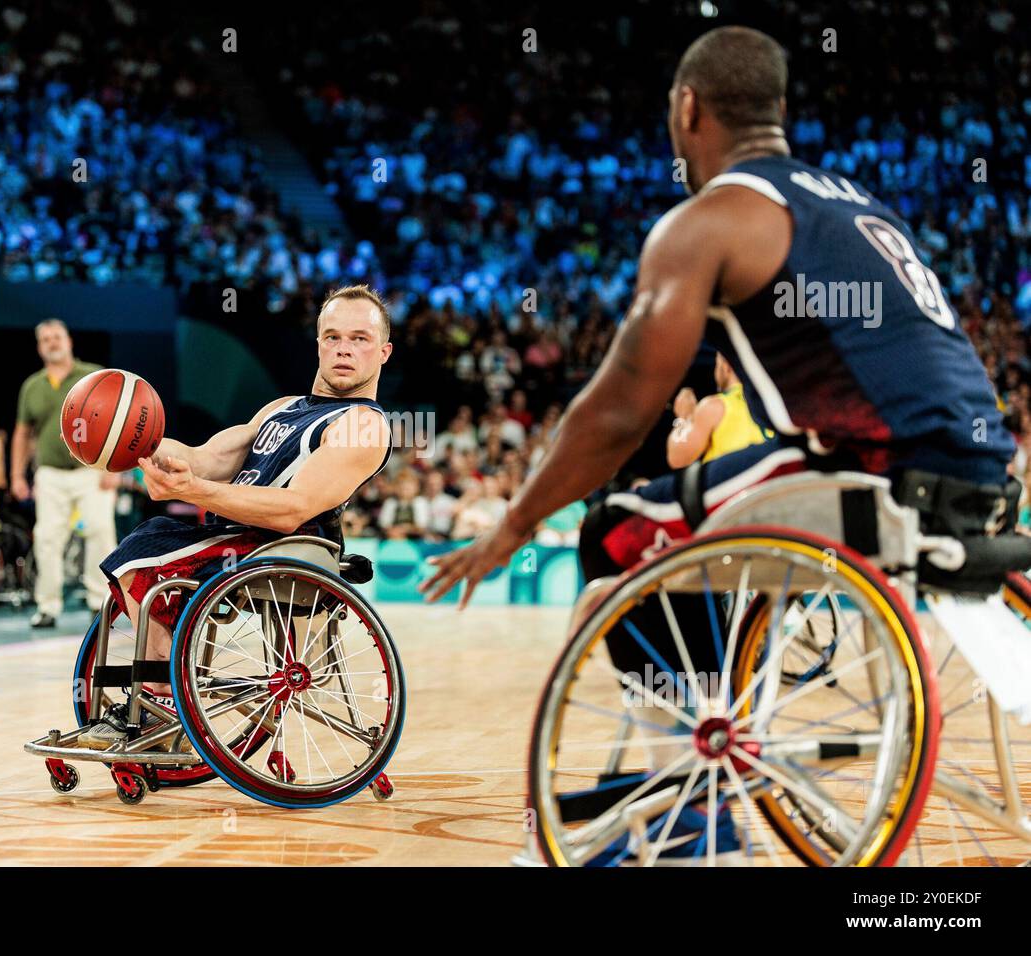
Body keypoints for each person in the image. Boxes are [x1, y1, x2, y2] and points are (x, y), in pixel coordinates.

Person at [422, 27, 1016, 860]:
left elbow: (621, 409)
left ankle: (692, 809)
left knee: (615, 527)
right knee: (695, 534)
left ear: (686, 107)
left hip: (884, 467)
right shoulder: (854, 200)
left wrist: (515, 525)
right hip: (986, 464)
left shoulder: (711, 220)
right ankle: (710, 741)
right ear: (778, 109)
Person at [79, 284, 393, 749]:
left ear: (383, 352)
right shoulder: (280, 409)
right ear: (319, 344)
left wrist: (194, 490)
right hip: (236, 537)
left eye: (359, 339)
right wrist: (131, 438)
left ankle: (164, 707)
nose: (343, 348)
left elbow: (294, 509)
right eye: (332, 337)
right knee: (150, 540)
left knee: (143, 554)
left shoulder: (363, 425)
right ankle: (162, 696)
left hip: (285, 544)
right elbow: (202, 459)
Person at [11, 319, 118, 628]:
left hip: (91, 469)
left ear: (69, 340)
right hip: (50, 473)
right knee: (47, 538)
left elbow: (117, 422)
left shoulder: (93, 376)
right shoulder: (33, 385)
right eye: (45, 339)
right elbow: (22, 433)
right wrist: (17, 475)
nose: (52, 342)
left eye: (57, 336)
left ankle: (100, 602)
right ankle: (47, 606)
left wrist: (113, 466)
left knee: (100, 530)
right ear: (39, 347)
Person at [665, 353, 771, 468]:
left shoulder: (715, 406)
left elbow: (678, 458)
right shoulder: (770, 402)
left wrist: (685, 416)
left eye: (717, 365)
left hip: (734, 481)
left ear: (727, 367)